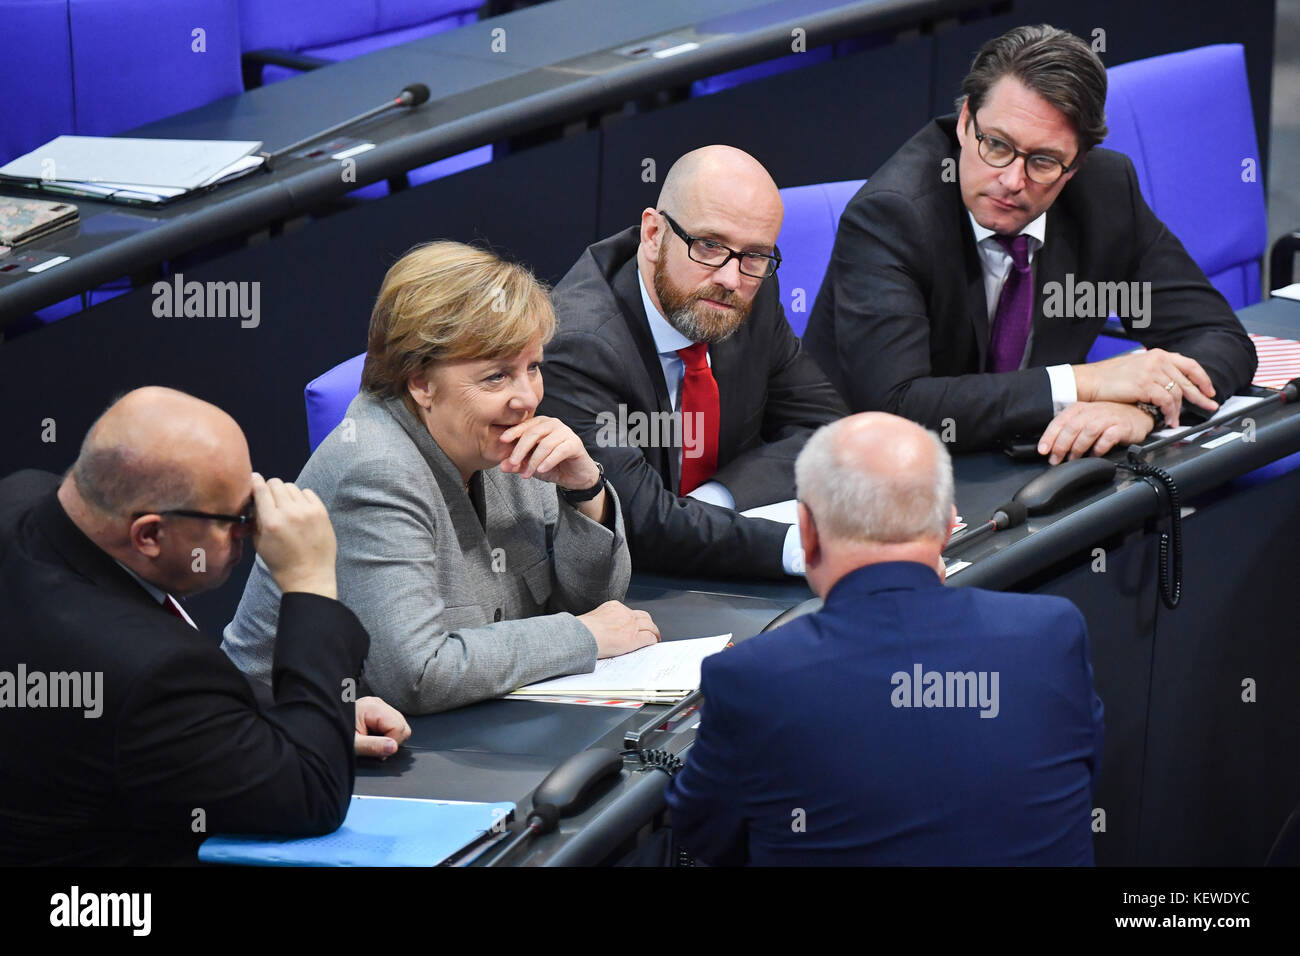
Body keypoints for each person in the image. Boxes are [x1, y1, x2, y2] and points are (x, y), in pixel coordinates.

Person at [223, 241, 657, 715]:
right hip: (291, 747)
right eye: (496, 376)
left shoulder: (497, 434)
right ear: (421, 383)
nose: (527, 397)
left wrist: (584, 490)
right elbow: (416, 674)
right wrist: (582, 636)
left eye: (532, 367)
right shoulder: (375, 470)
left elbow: (597, 604)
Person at [665, 412, 1104, 865]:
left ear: (808, 532)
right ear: (947, 525)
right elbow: (1079, 782)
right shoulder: (1051, 635)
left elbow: (707, 838)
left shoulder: (750, 679)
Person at [803, 24, 1256, 462]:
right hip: (873, 476)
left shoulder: (1105, 193)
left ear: (1076, 165)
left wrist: (1142, 410)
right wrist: (1086, 384)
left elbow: (1220, 338)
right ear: (965, 122)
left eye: (1043, 161)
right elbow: (898, 407)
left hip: (1030, 465)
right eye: (997, 145)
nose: (1012, 181)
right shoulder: (891, 217)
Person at [0, 387, 408, 865]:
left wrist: (311, 710)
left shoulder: (24, 497)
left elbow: (178, 707)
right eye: (235, 517)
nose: (253, 528)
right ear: (149, 534)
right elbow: (313, 793)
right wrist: (310, 580)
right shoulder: (146, 670)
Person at [540, 145, 848, 580]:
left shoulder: (747, 295)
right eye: (708, 245)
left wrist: (718, 496)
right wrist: (803, 548)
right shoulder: (577, 347)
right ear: (652, 234)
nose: (730, 278)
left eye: (755, 255)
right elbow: (639, 523)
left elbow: (830, 433)